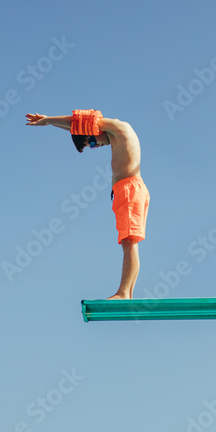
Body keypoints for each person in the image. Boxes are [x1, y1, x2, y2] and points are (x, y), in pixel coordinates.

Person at [25, 109, 150, 299]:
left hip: (129, 189)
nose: (95, 145)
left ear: (93, 129)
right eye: (91, 145)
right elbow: (79, 126)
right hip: (126, 190)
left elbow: (76, 121)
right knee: (128, 242)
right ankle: (127, 294)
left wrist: (49, 120)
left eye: (91, 141)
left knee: (129, 243)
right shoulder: (118, 135)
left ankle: (124, 293)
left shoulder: (119, 128)